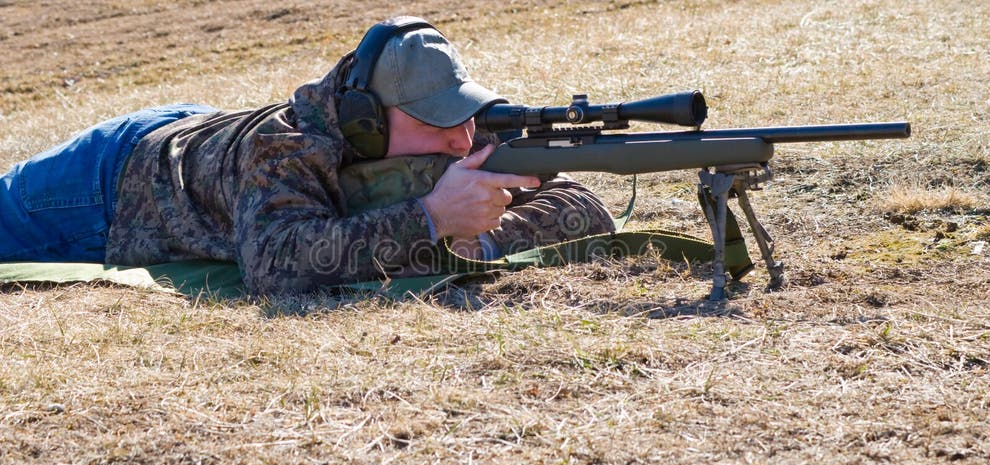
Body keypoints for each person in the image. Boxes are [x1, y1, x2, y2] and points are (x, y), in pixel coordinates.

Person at [0, 16, 615, 294]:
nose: (461, 140)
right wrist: (431, 219)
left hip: (201, 130)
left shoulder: (455, 129)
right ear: (367, 123)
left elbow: (589, 209)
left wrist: (480, 235)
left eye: (462, 116)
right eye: (434, 122)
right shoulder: (287, 150)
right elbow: (274, 264)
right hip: (109, 181)